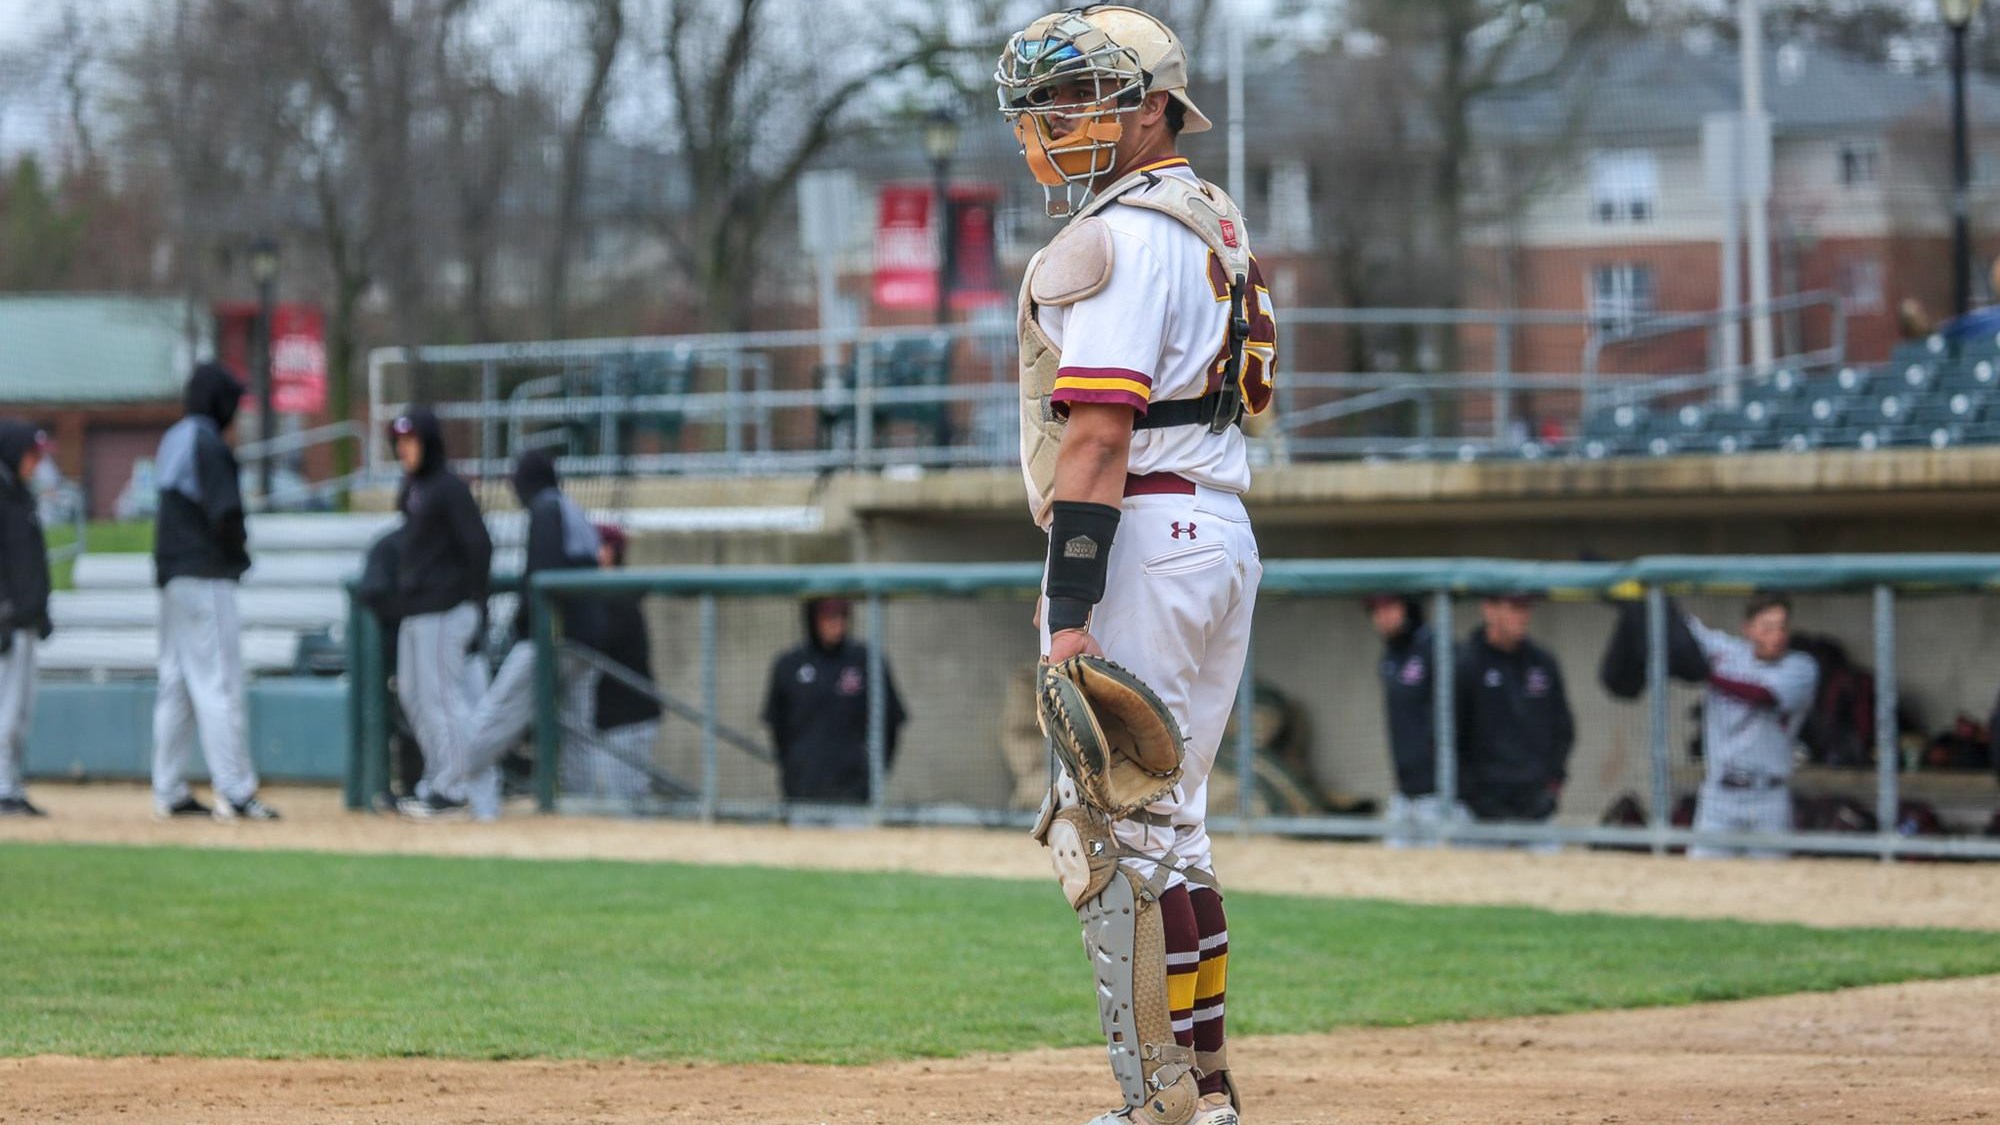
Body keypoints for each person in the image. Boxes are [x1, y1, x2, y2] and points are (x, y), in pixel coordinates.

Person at [997, 7, 1277, 1123]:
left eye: (1080, 96)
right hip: (1212, 530)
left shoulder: (1115, 237)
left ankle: (1155, 1102)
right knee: (1178, 831)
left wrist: (1070, 607)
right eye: (1049, 100)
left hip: (1139, 536)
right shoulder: (1206, 218)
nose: (1054, 118)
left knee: (1110, 837)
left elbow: (1098, 434)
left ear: (1151, 105)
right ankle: (1202, 1094)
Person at [412, 449, 596, 820]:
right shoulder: (571, 507)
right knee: (577, 730)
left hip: (552, 638)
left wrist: (523, 625)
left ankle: (446, 786)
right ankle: (582, 806)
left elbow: (540, 580)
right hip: (586, 639)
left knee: (492, 719)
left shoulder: (546, 509)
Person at [150, 363, 279, 822]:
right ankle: (236, 791)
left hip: (173, 576)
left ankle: (168, 790)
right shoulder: (206, 441)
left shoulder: (175, 438)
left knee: (177, 685)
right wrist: (238, 552)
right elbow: (226, 514)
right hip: (205, 577)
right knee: (219, 683)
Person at [386, 410, 494, 820]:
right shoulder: (413, 488)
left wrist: (472, 600)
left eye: (411, 440)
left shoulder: (449, 488)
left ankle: (454, 786)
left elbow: (479, 546)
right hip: (417, 610)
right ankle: (439, 778)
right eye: (399, 441)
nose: (404, 449)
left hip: (446, 608)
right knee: (414, 696)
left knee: (441, 699)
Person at [1685, 593, 1820, 860]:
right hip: (1719, 795)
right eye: (1767, 627)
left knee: (1772, 887)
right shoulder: (1727, 652)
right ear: (1747, 629)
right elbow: (1686, 628)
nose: (1777, 635)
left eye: (1782, 627)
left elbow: (1761, 695)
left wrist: (1707, 675)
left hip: (1768, 795)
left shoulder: (1801, 666)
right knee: (1701, 880)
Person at [760, 597, 905, 805]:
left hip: (853, 792)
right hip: (802, 792)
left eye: (842, 616)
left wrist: (873, 774)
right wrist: (794, 768)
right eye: (828, 617)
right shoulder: (789, 664)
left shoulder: (866, 661)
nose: (836, 623)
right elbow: (777, 727)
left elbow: (892, 721)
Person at [559, 524, 663, 803]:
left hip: (625, 719)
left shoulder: (618, 597)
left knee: (622, 804)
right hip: (616, 718)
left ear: (610, 552)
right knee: (620, 802)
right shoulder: (602, 596)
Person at [1455, 593, 1574, 829]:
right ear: (1489, 610)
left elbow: (1564, 728)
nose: (1522, 616)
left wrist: (1552, 788)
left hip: (1534, 804)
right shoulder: (1465, 663)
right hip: (1480, 810)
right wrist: (1473, 796)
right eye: (1514, 608)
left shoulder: (1542, 662)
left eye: (1525, 608)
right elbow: (1447, 737)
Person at [1366, 594, 1460, 845]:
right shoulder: (1390, 657)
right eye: (1377, 610)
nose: (1383, 617)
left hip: (1440, 791)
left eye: (1390, 607)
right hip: (1404, 790)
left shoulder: (1437, 649)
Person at [0, 423, 54, 817]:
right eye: (30, 455)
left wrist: (42, 610)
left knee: (21, 711)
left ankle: (11, 784)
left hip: (26, 620)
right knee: (5, 709)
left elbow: (33, 562)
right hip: (6, 622)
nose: (35, 464)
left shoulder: (21, 496)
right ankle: (2, 787)